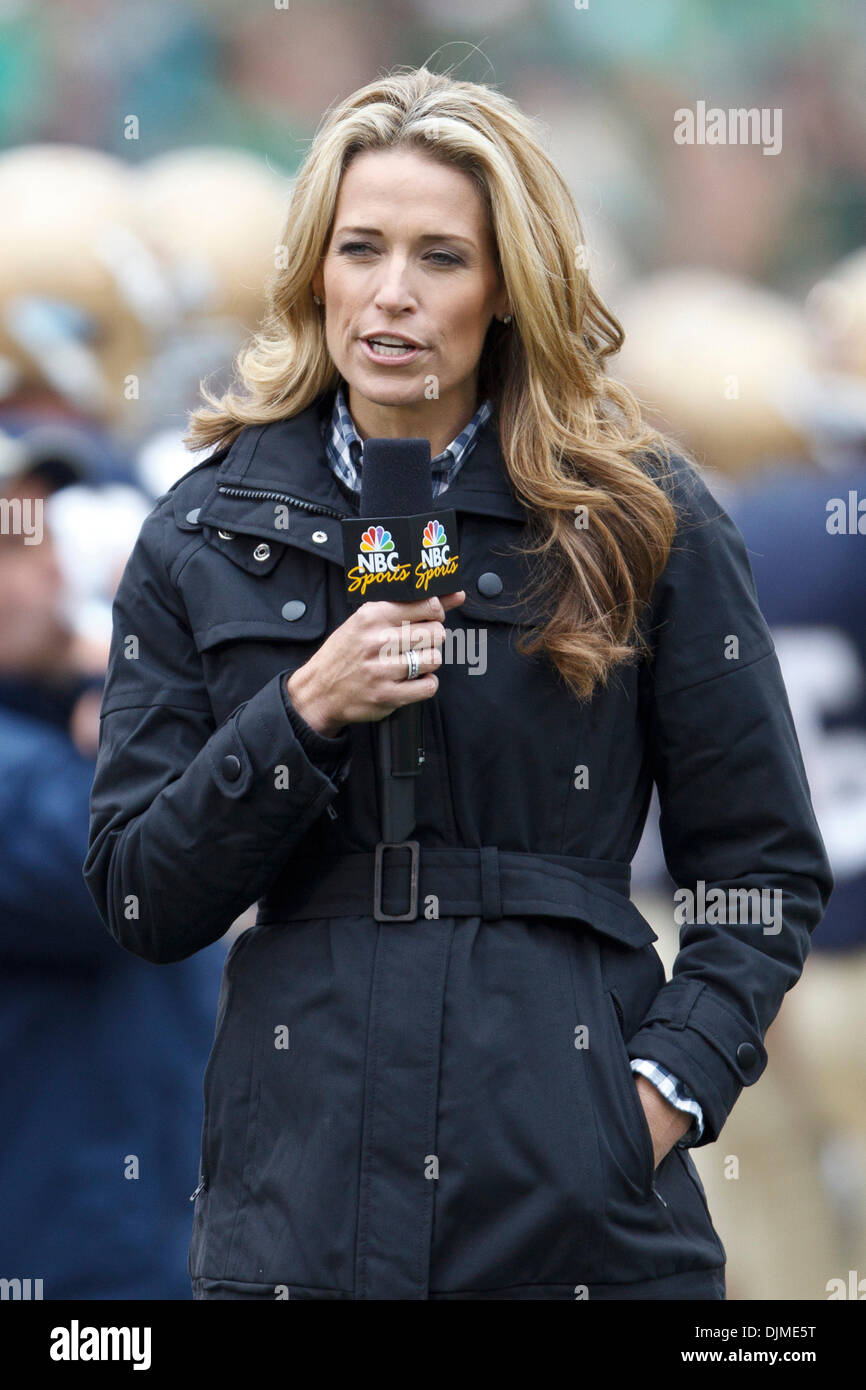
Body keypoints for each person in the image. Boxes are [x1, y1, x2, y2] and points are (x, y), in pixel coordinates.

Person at [84, 66, 832, 1301]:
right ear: (312, 272)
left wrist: (650, 1102)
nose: (390, 293)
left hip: (576, 1214)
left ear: (505, 293)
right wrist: (303, 710)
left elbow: (758, 868)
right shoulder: (202, 530)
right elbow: (136, 895)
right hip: (300, 1210)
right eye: (360, 247)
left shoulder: (641, 516)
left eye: (439, 257)